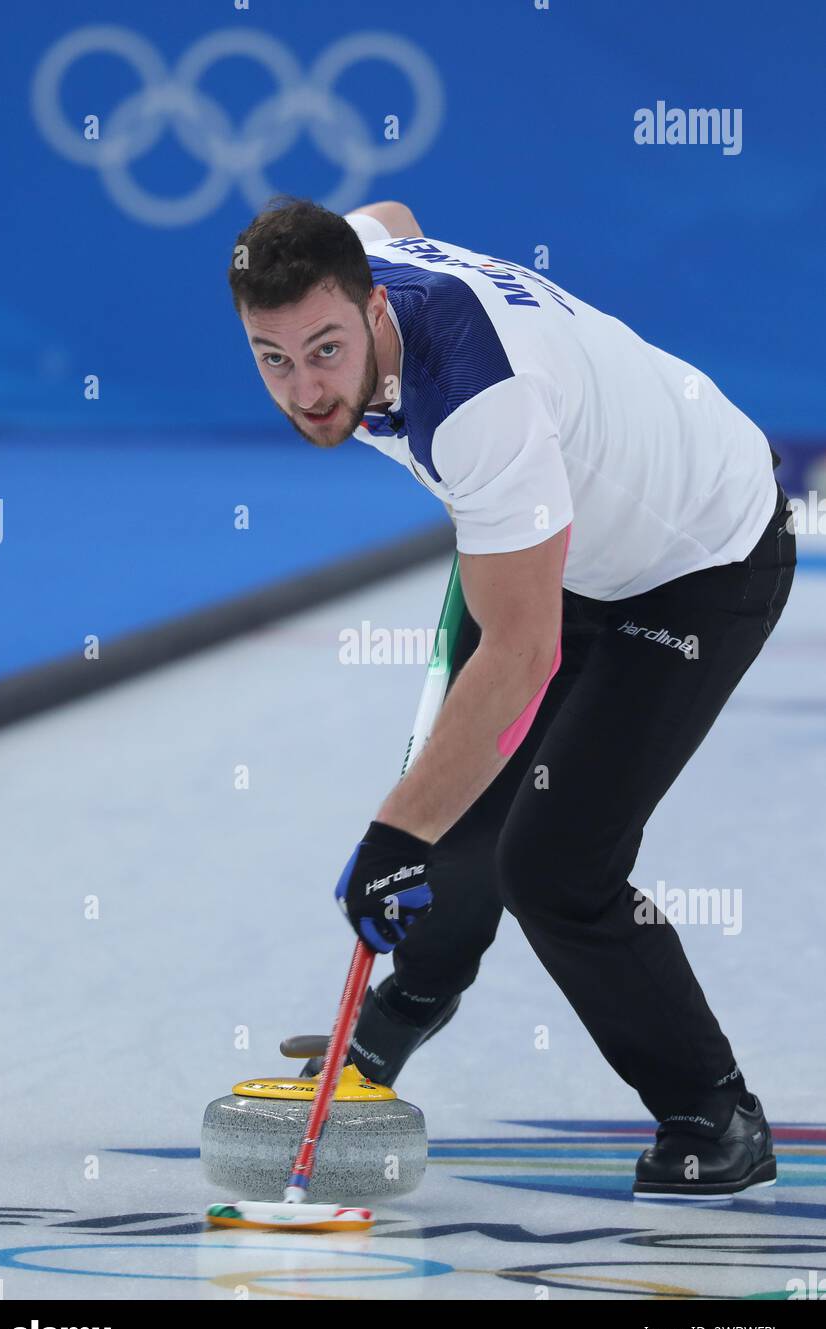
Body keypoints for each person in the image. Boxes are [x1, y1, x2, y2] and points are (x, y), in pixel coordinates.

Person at [226, 196, 795, 1198]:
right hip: (570, 528)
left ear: (370, 315)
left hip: (704, 550)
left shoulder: (475, 401)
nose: (305, 389)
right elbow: (390, 214)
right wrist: (418, 830)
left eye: (323, 350)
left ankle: (714, 1112)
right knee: (463, 806)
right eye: (273, 358)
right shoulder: (356, 263)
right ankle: (390, 1029)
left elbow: (520, 653)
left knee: (553, 860)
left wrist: (389, 839)